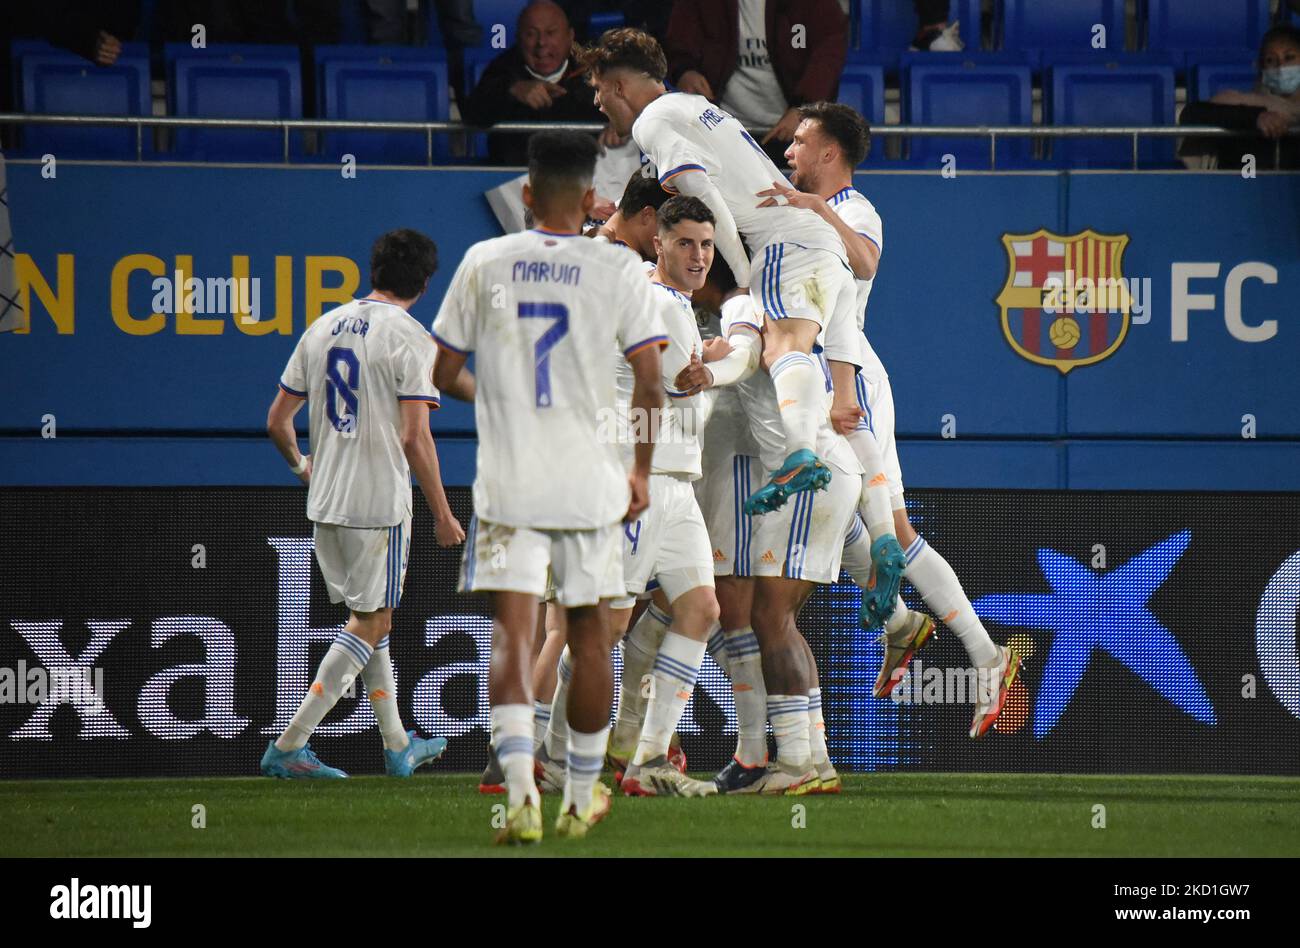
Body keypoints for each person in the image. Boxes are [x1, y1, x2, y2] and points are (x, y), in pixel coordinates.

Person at [432, 130, 667, 844]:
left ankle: (518, 794)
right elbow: (650, 384)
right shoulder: (619, 271)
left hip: (510, 480)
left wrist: (498, 400)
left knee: (514, 629)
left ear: (527, 195)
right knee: (590, 637)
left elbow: (440, 373)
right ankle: (580, 795)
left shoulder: (485, 260)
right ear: (593, 197)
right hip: (589, 481)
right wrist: (641, 473)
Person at [773, 101, 1020, 736]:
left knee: (896, 529)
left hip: (849, 382)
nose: (789, 151)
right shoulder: (790, 210)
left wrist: (815, 209)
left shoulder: (855, 208)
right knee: (841, 510)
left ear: (830, 153)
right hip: (805, 379)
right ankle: (901, 626)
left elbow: (865, 262)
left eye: (800, 142)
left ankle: (987, 657)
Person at [261, 228, 464, 780]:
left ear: (372, 270)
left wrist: (304, 469)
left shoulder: (321, 327)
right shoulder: (411, 337)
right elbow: (415, 437)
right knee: (369, 623)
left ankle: (397, 745)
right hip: (378, 504)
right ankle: (289, 746)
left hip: (326, 502)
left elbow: (278, 422)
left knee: (373, 619)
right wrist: (443, 514)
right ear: (425, 282)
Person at [662, 0, 849, 162]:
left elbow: (828, 52)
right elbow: (678, 42)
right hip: (720, 132)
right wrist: (685, 72)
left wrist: (804, 108)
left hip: (791, 135)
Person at [462, 1, 609, 165]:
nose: (541, 43)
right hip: (517, 178)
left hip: (583, 177)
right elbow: (472, 115)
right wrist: (511, 91)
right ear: (518, 38)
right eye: (531, 34)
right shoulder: (503, 68)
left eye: (551, 33)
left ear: (570, 37)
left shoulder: (595, 72)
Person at [1179, 25, 1300, 170]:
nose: (1281, 67)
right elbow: (1192, 114)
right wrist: (1256, 117)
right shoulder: (1242, 104)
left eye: (1289, 57)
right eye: (1270, 60)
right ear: (1262, 70)